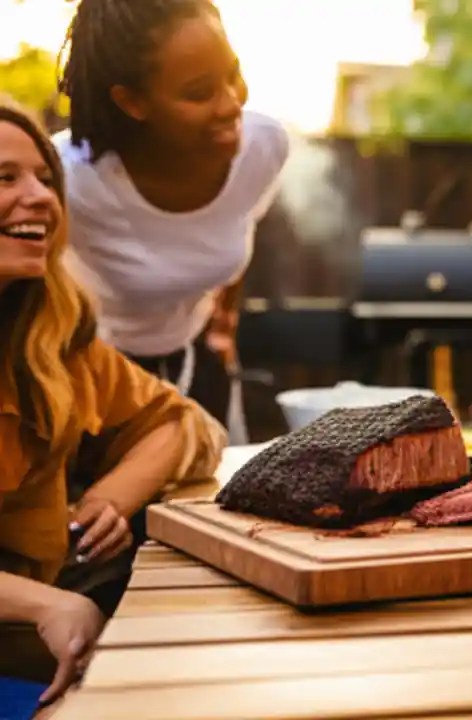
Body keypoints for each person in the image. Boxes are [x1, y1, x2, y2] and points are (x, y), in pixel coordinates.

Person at [0, 98, 224, 703]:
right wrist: (45, 603)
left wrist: (110, 501)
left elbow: (177, 423)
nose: (41, 197)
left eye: (47, 180)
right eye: (6, 178)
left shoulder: (46, 336)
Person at [54, 0, 289, 440]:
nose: (231, 103)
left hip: (195, 363)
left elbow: (237, 226)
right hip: (93, 379)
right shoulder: (68, 182)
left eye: (233, 75)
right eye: (200, 93)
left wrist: (223, 324)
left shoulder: (263, 147)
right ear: (132, 101)